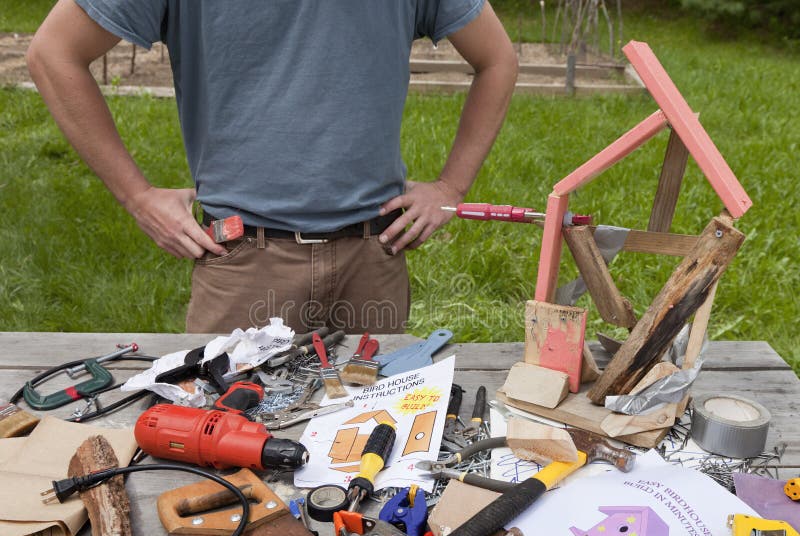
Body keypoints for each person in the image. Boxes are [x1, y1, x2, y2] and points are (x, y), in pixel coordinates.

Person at [27, 0, 518, 334]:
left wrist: (451, 187)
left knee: (373, 457)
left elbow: (497, 59)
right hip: (244, 263)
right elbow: (54, 53)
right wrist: (137, 197)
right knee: (229, 459)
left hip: (373, 258)